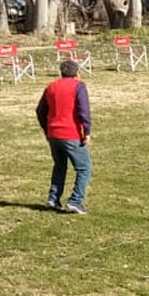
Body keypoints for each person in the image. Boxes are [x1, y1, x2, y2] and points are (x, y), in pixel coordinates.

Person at [35, 60, 92, 214]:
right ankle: (75, 201)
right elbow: (84, 111)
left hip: (54, 134)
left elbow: (40, 110)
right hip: (71, 133)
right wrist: (87, 132)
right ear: (77, 73)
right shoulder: (78, 86)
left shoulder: (51, 86)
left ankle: (53, 199)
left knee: (59, 166)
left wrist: (46, 129)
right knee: (84, 168)